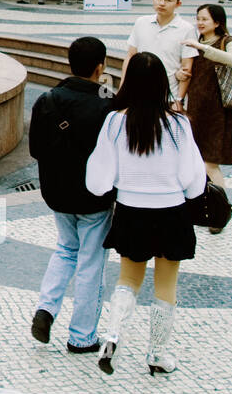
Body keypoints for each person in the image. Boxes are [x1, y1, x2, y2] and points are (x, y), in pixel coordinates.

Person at [87, 52, 207, 376]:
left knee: (128, 279)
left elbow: (98, 179)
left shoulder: (115, 121)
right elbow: (194, 180)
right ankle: (157, 354)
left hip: (131, 209)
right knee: (166, 286)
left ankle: (113, 336)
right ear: (161, 84)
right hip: (171, 210)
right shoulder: (179, 123)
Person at [29, 37, 115, 354]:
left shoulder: (48, 99)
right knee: (91, 262)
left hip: (58, 193)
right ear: (100, 67)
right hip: (94, 197)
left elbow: (36, 149)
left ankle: (46, 308)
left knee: (66, 249)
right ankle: (82, 336)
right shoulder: (108, 104)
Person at [182, 3, 232, 234]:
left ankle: (220, 211)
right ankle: (203, 207)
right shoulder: (195, 43)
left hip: (219, 111)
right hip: (197, 109)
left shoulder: (227, 41)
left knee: (210, 162)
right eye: (198, 18)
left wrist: (200, 47)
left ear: (217, 22)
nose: (200, 23)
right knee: (197, 160)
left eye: (205, 19)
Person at [125, 0, 196, 112]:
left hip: (167, 98)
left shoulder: (186, 29)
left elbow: (187, 69)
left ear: (178, 4)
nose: (162, 3)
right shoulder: (141, 22)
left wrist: (179, 100)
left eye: (169, 0)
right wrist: (123, 89)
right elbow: (130, 56)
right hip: (137, 94)